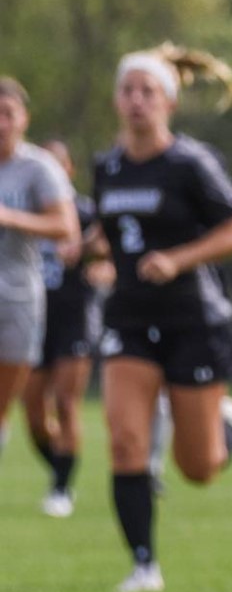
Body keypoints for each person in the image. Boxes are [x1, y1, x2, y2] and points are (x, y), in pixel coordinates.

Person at [95, 45, 232, 592]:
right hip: (127, 318)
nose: (137, 100)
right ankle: (143, 565)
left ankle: (224, 424)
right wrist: (89, 250)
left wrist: (176, 259)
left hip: (194, 321)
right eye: (128, 90)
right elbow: (116, 231)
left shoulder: (191, 163)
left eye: (149, 91)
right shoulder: (107, 167)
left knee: (197, 468)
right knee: (125, 441)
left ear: (169, 101)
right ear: (117, 100)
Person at [0, 79, 81, 479]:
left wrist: (10, 216)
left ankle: (62, 477)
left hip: (17, 297)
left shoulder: (38, 168)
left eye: (7, 113)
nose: (0, 123)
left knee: (26, 410)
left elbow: (66, 225)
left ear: (23, 119)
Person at [22, 139, 104, 516]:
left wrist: (94, 257)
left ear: (68, 171)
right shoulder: (26, 211)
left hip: (75, 318)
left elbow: (111, 249)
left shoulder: (85, 213)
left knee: (67, 403)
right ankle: (60, 467)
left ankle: (61, 488)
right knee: (35, 411)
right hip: (35, 319)